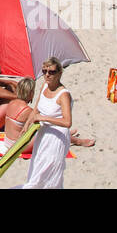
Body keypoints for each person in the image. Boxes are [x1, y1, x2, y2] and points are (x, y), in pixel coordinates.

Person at [23, 58, 73, 189]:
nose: (47, 75)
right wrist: (27, 124)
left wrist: (44, 118)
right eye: (44, 71)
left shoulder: (63, 95)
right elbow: (36, 108)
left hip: (57, 138)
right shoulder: (44, 86)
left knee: (50, 172)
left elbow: (67, 122)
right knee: (37, 167)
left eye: (51, 72)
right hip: (43, 135)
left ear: (59, 73)